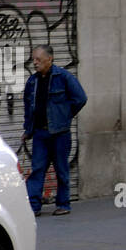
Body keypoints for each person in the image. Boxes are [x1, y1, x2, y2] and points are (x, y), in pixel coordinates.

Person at [23, 44, 87, 216]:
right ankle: (34, 206)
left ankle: (63, 204)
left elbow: (80, 98)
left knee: (61, 169)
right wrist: (28, 129)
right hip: (40, 134)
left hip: (60, 133)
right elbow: (28, 107)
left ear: (49, 59)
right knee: (37, 169)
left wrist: (65, 115)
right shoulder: (33, 81)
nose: (34, 63)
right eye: (33, 59)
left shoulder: (64, 77)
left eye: (38, 59)